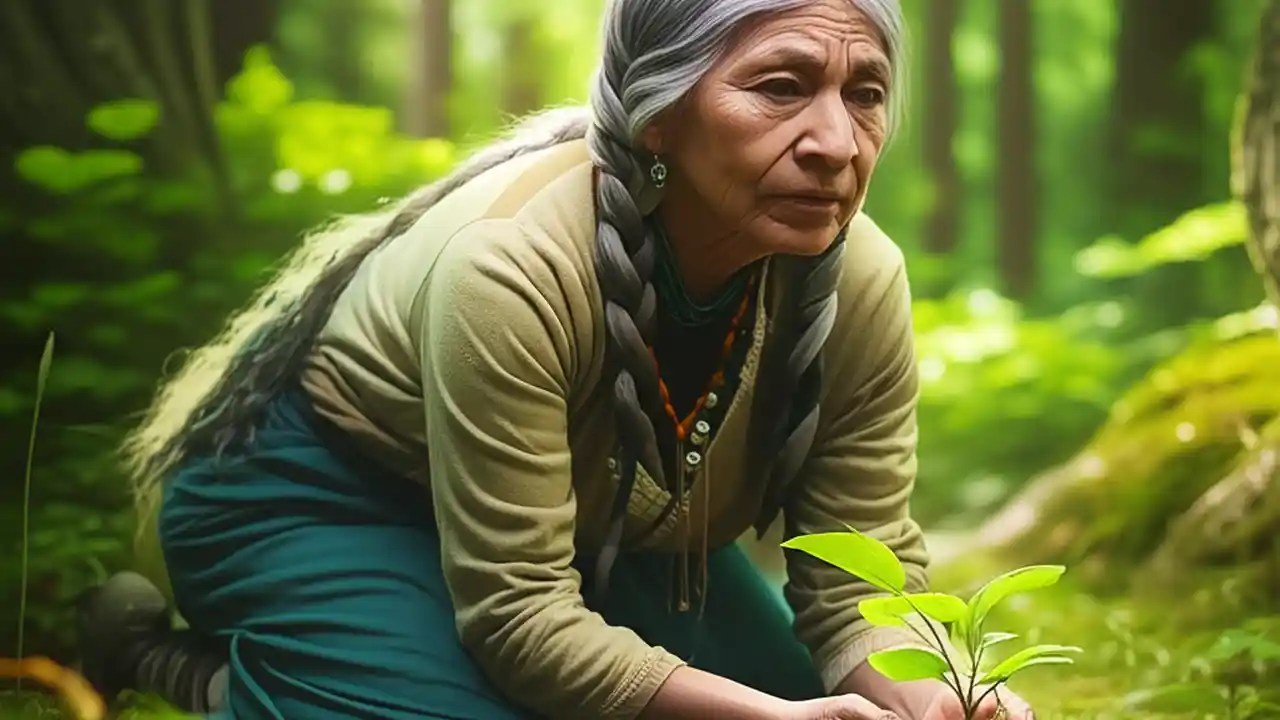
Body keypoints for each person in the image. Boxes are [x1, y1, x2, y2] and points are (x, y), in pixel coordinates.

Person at [77, 1, 1037, 719]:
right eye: (781, 87)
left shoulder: (859, 276)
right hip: (325, 488)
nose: (836, 142)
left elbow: (858, 577)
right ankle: (179, 670)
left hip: (582, 526)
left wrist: (944, 695)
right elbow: (519, 617)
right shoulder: (515, 267)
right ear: (657, 111)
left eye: (863, 93)